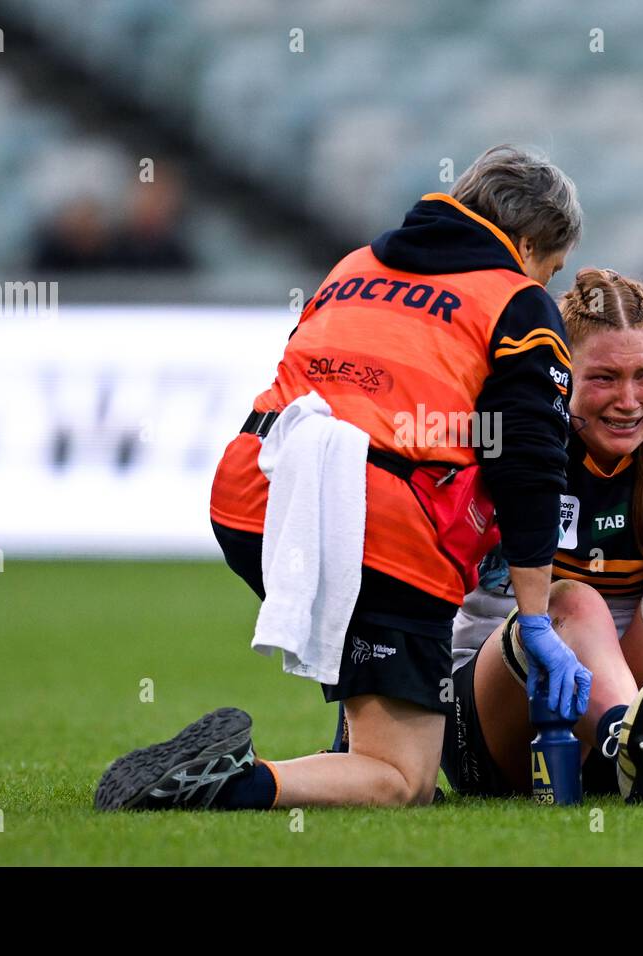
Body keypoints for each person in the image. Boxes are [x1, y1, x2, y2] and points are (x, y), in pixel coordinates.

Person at [95, 145, 592, 811]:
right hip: (375, 519)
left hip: (255, 497)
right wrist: (536, 620)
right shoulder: (518, 303)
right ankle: (228, 783)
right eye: (551, 268)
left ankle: (350, 740)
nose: (549, 284)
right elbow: (530, 466)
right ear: (528, 242)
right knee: (402, 781)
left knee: (376, 661)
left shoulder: (355, 266)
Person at [442, 267, 643, 803]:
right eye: (603, 378)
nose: (628, 400)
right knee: (573, 600)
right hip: (502, 721)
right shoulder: (508, 438)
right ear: (562, 373)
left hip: (641, 701)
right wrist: (358, 733)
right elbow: (411, 584)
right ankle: (634, 745)